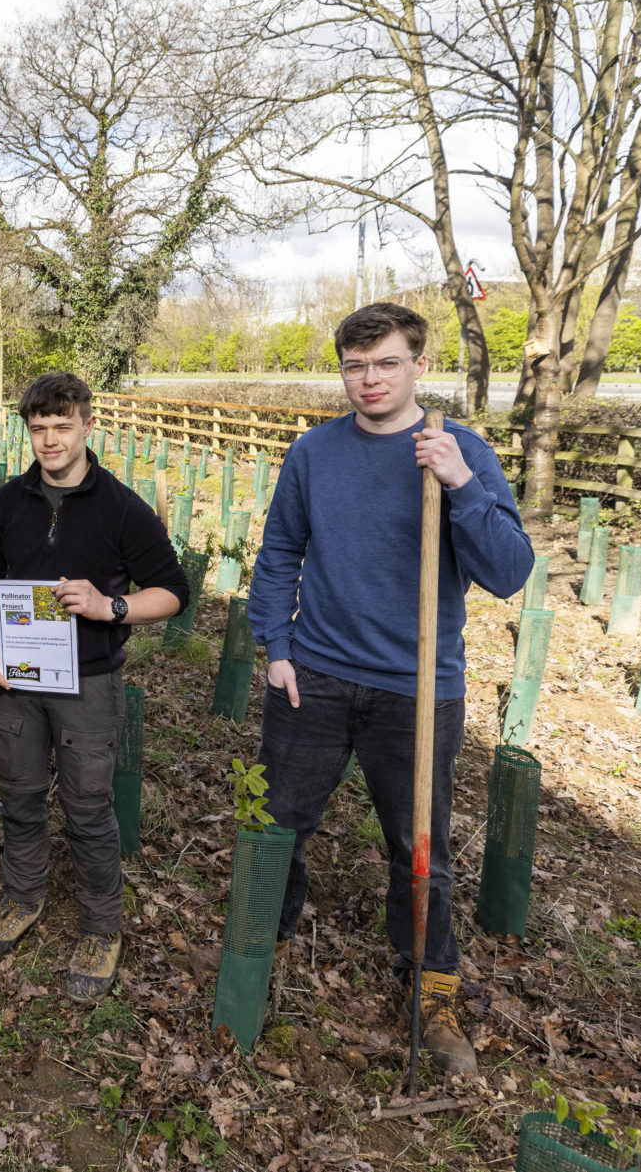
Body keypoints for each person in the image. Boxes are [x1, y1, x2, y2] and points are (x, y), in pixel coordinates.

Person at [250, 302, 533, 1076]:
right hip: (314, 675)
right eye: (354, 365)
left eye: (385, 363)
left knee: (421, 845)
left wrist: (460, 480)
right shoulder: (313, 453)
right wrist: (276, 647)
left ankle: (430, 985)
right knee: (280, 821)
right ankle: (260, 950)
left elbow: (509, 572)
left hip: (417, 687)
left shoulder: (459, 450)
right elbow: (279, 552)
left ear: (416, 364)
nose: (368, 379)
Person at [0, 371, 187, 1000]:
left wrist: (109, 606)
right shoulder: (6, 504)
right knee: (21, 793)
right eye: (38, 430)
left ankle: (100, 924)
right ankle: (24, 895)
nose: (50, 441)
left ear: (88, 424)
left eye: (62, 427)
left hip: (88, 682)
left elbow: (173, 593)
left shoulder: (121, 509)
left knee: (88, 805)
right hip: (16, 681)